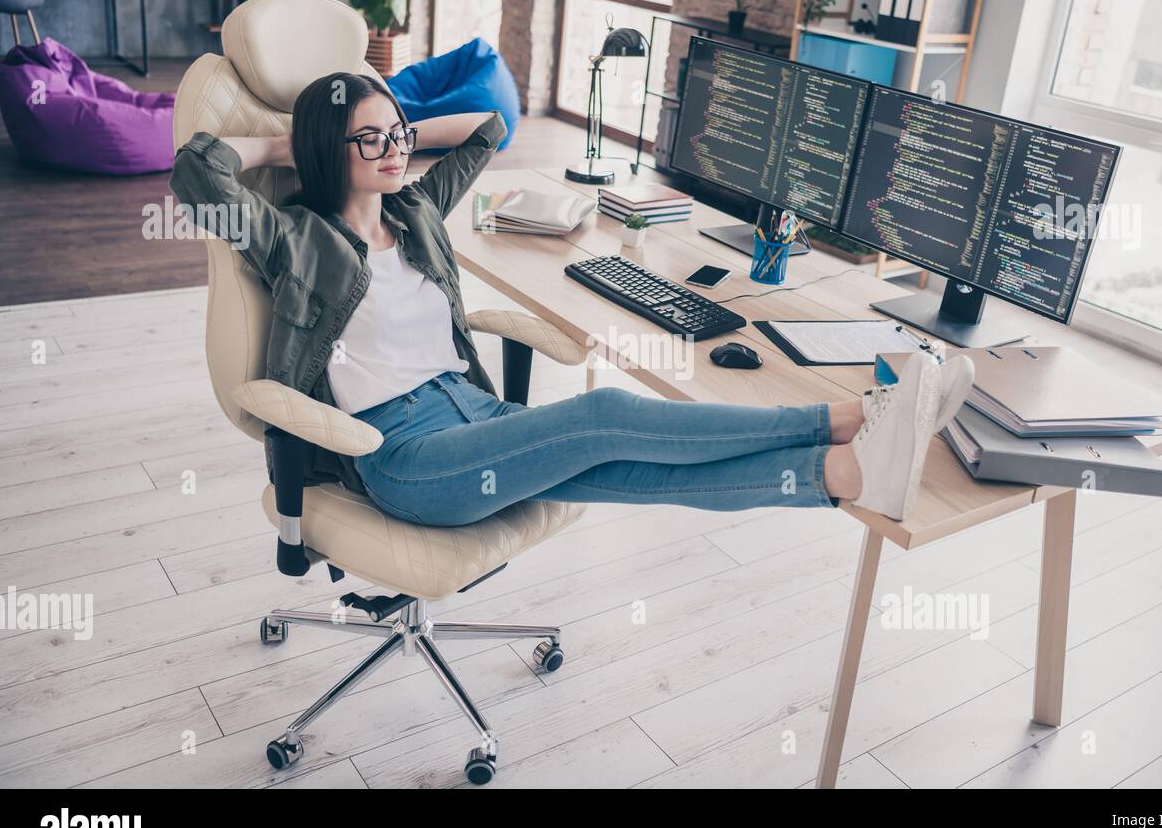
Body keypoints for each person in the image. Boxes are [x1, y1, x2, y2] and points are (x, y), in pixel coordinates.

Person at [170, 72, 974, 527]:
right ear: (327, 150)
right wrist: (285, 143)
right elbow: (197, 172)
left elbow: (490, 125)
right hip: (402, 456)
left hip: (476, 420)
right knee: (597, 416)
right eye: (370, 139)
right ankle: (843, 416)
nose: (394, 151)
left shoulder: (415, 210)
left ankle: (842, 474)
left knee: (631, 469)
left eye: (399, 135)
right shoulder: (294, 236)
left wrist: (391, 119)